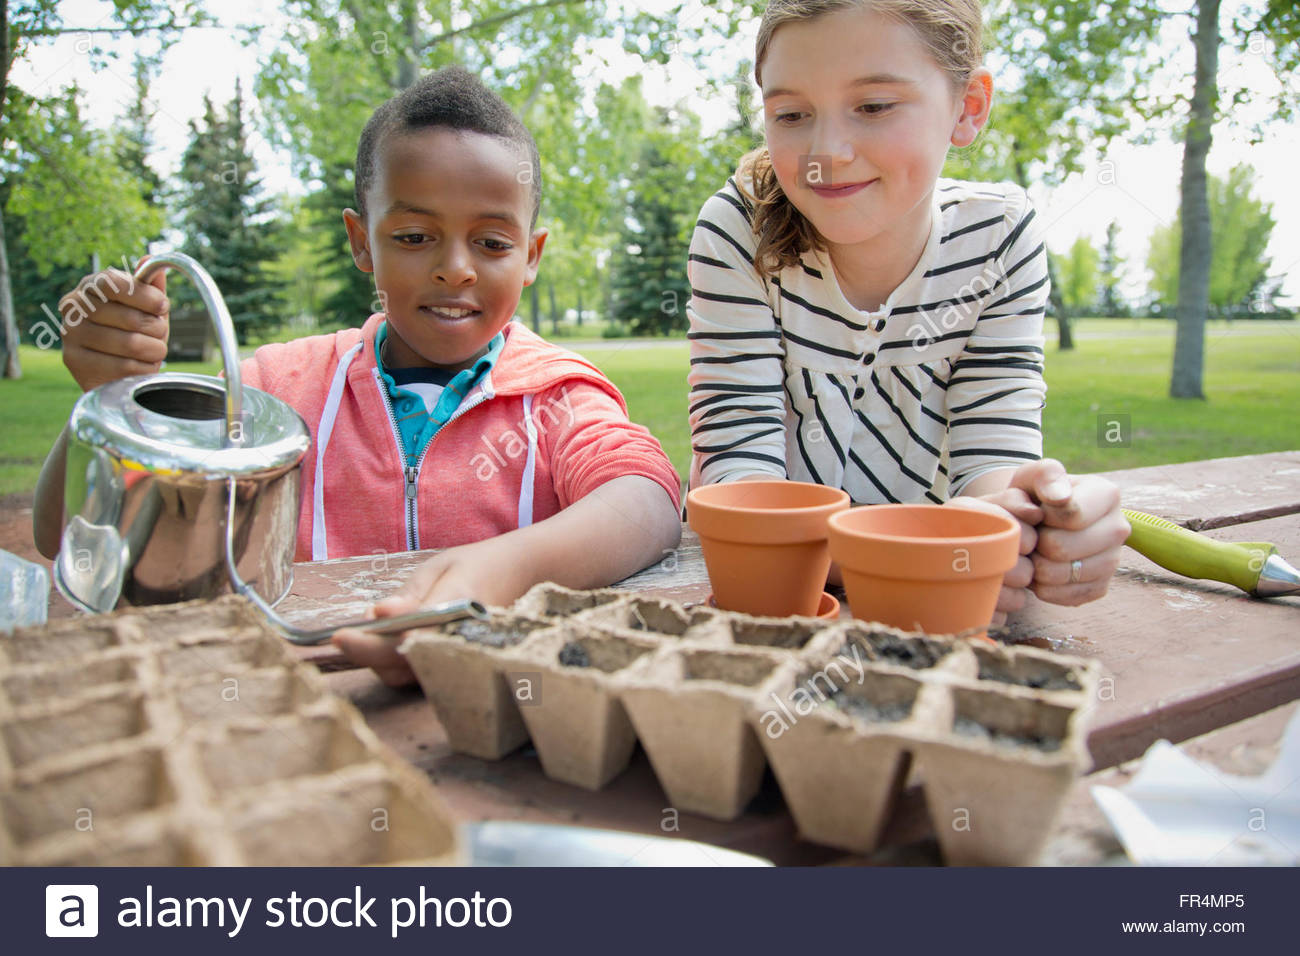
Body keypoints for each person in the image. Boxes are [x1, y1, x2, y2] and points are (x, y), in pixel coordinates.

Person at [34, 66, 682, 684]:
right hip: (292, 703)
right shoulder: (279, 390)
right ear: (361, 242)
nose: (455, 268)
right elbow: (67, 536)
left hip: (486, 715)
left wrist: (503, 570)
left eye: (491, 242)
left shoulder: (556, 396)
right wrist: (106, 395)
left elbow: (648, 501)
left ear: (531, 255)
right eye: (412, 237)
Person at [686, 0, 1130, 624]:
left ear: (968, 107)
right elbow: (741, 484)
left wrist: (1026, 527)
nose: (826, 153)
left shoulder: (999, 240)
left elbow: (993, 458)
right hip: (780, 610)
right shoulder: (738, 233)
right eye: (791, 114)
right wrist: (923, 555)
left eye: (873, 107)